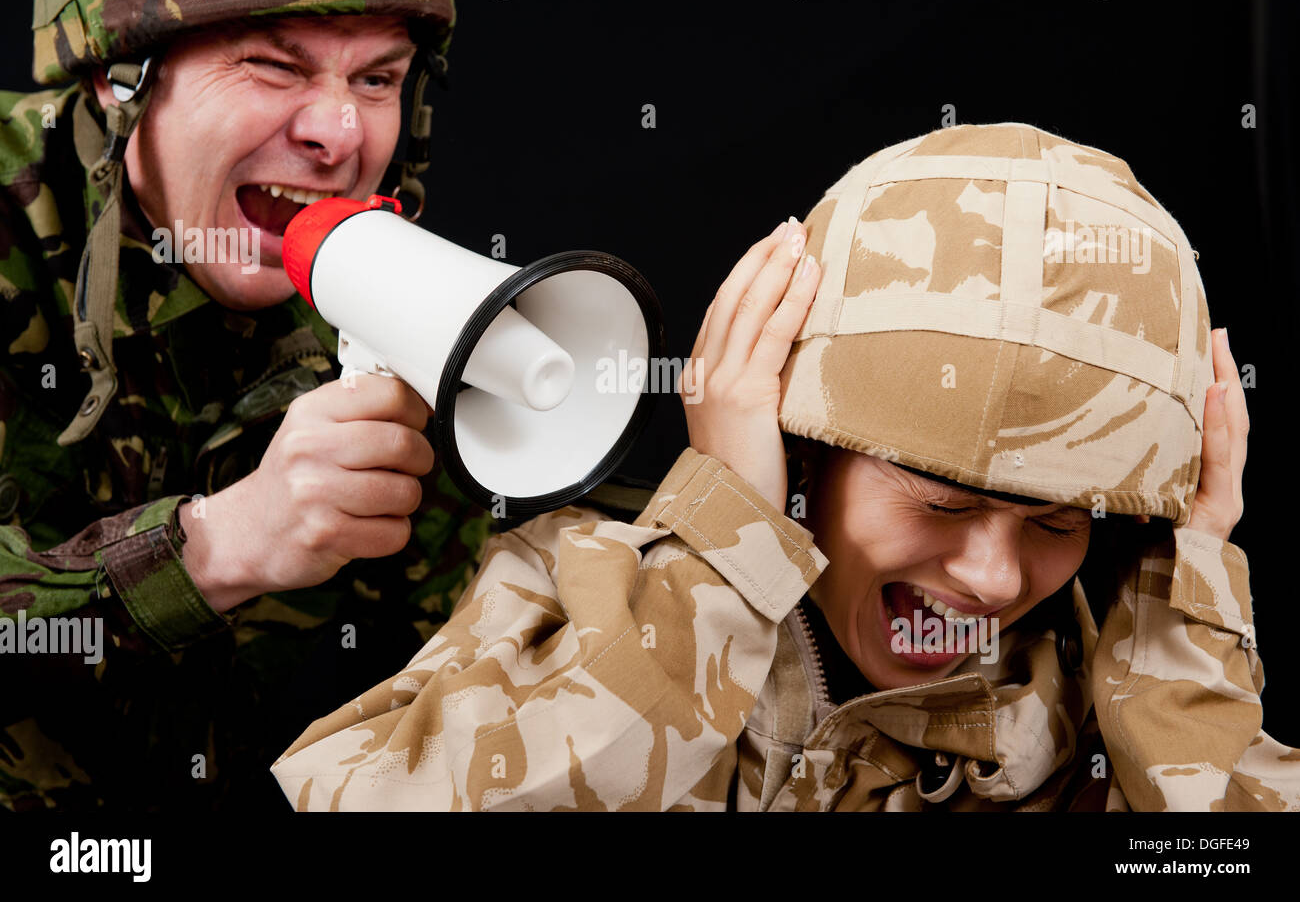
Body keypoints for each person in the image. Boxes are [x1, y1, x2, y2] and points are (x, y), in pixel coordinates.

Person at [271, 122, 1296, 811]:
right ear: (802, 446)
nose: (991, 577)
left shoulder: (1100, 682)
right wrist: (719, 555)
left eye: (1055, 522)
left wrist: (1182, 616)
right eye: (942, 499)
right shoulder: (568, 586)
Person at [0, 0, 491, 811]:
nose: (340, 135)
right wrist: (219, 544)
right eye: (271, 65)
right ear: (121, 82)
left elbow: (453, 661)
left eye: (378, 80)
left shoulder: (359, 284)